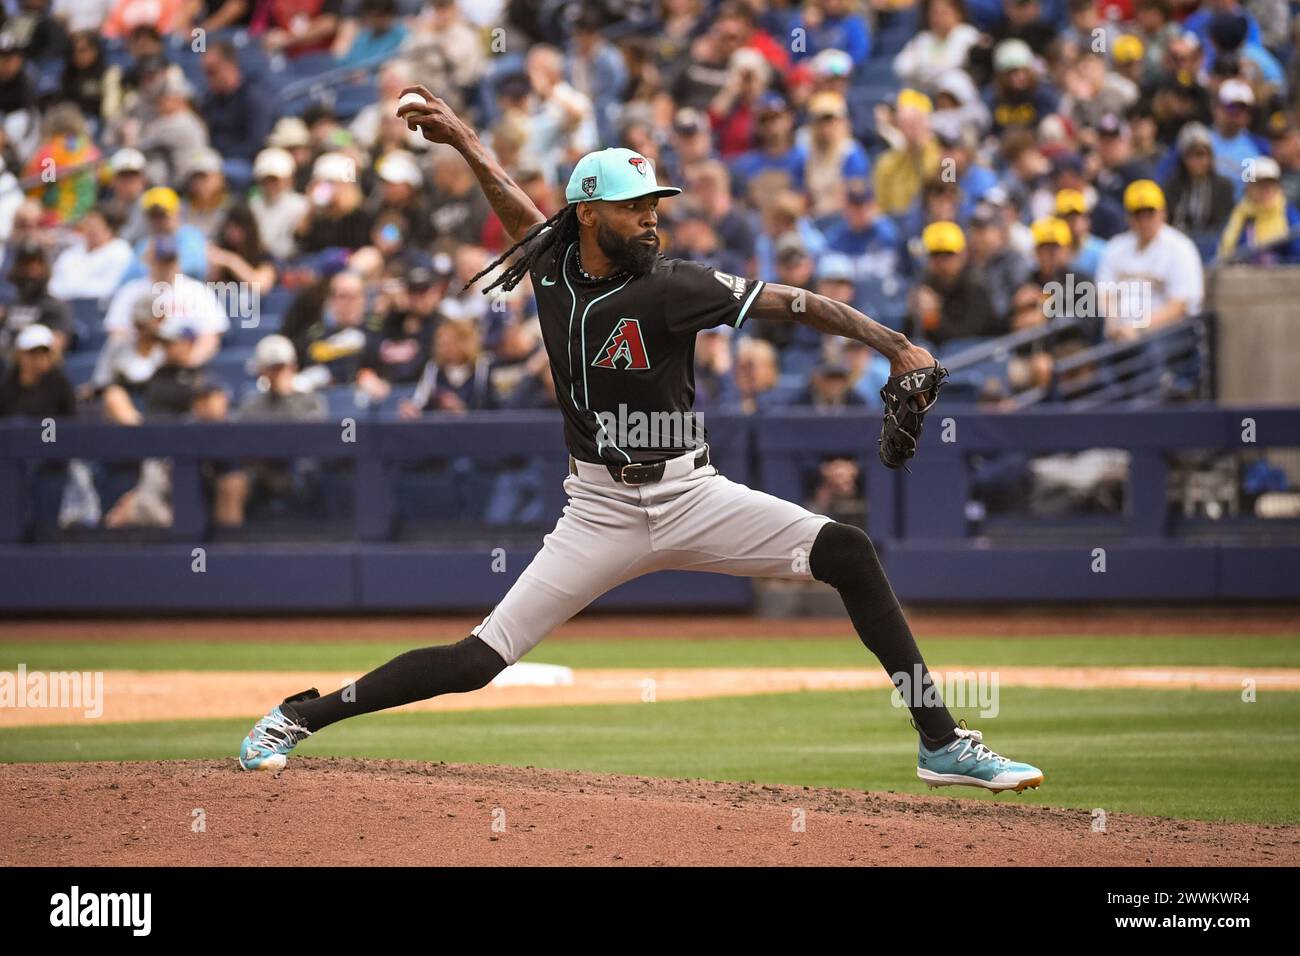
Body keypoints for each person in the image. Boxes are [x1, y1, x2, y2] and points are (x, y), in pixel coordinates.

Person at [238, 88, 1045, 796]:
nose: (651, 214)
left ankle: (942, 743)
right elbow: (519, 207)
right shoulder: (553, 264)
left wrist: (896, 345)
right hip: (598, 509)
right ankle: (296, 716)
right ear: (588, 214)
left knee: (849, 552)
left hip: (692, 492)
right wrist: (465, 141)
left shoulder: (674, 283)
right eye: (634, 205)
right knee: (476, 662)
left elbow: (797, 303)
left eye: (655, 201)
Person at [1096, 180, 1204, 340]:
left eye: (1149, 214)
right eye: (1138, 215)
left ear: (1163, 213)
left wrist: (1138, 327)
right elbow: (1105, 293)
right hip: (1119, 333)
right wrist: (1113, 323)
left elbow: (1180, 305)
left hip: (1167, 333)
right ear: (1128, 218)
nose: (1144, 221)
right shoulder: (1115, 247)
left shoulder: (1181, 248)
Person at [1217, 157, 1300, 264]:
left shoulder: (1289, 214)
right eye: (1260, 184)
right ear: (1249, 187)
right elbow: (1227, 252)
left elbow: (1296, 255)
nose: (1266, 189)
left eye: (1271, 184)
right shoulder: (1239, 215)